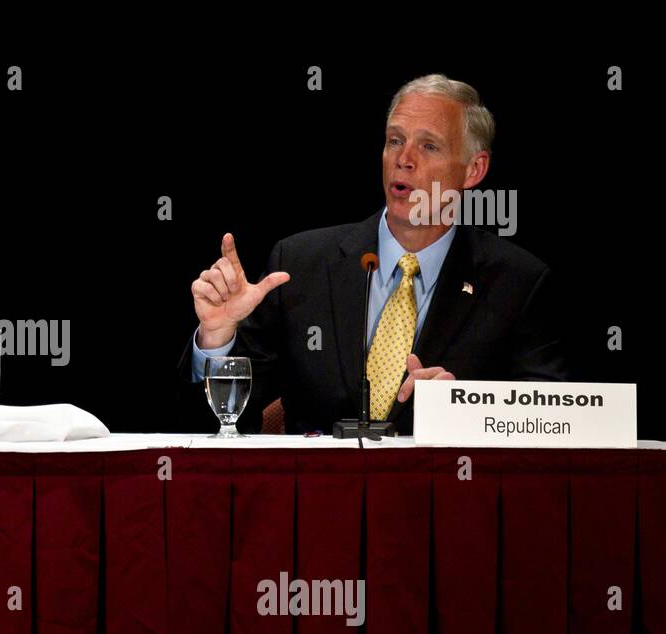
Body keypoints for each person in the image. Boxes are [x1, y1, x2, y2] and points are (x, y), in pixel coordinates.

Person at [181, 74, 567, 434]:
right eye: (395, 140)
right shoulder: (299, 265)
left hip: (447, 498)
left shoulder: (518, 283)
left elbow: (554, 424)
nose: (405, 158)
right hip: (321, 498)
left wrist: (465, 406)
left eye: (429, 146)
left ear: (473, 170)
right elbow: (222, 426)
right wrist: (217, 339)